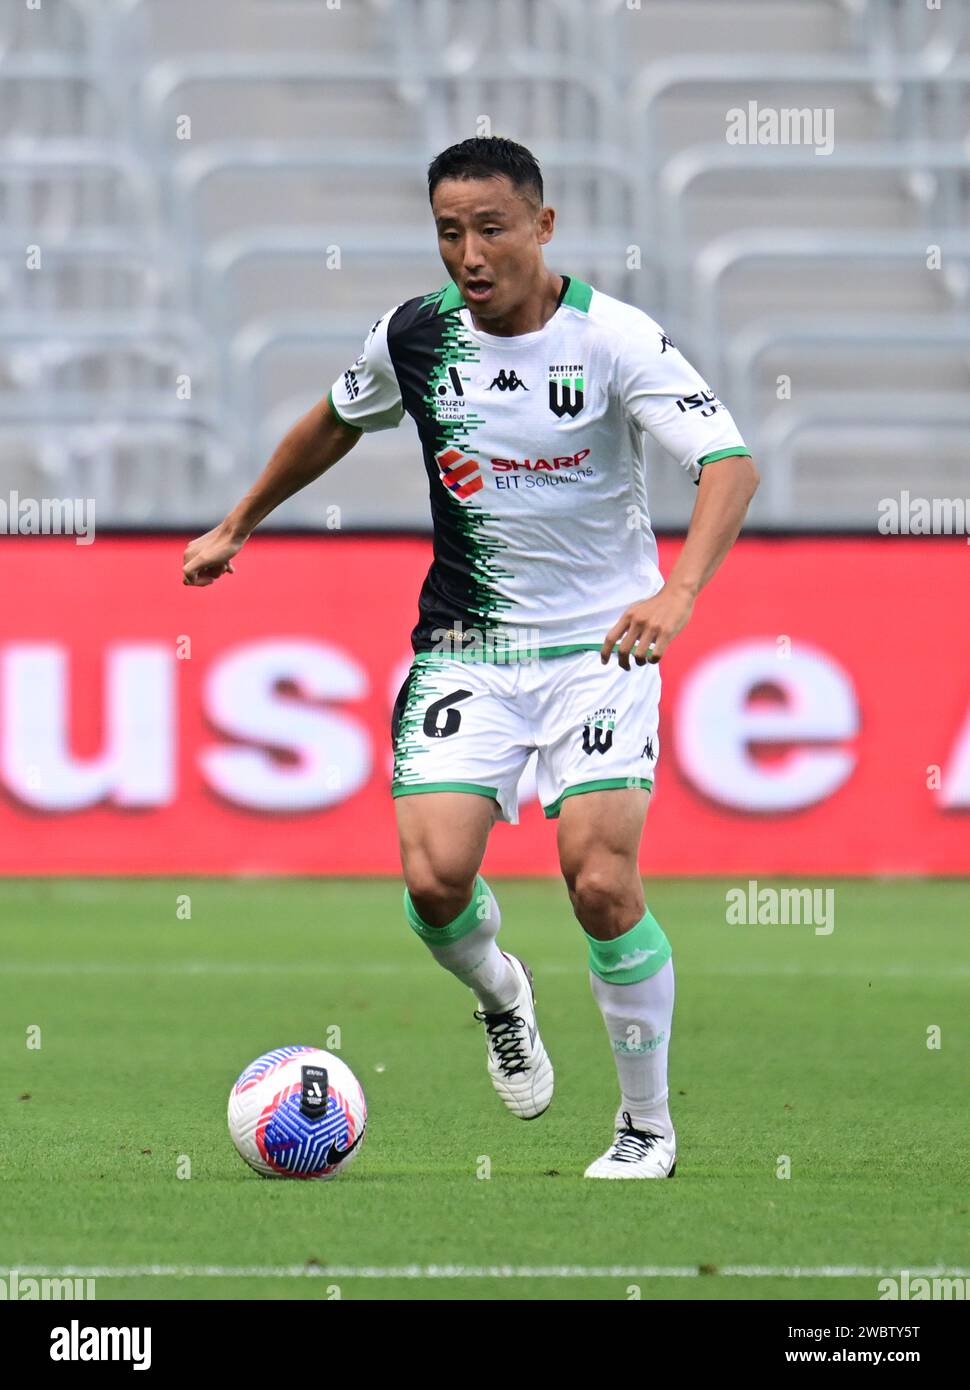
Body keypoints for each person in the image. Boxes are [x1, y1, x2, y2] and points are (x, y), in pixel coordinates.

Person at [183, 136, 759, 1178]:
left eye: (490, 229)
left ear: (541, 226)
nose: (469, 254)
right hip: (464, 645)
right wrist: (238, 525)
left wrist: (674, 593)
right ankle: (502, 993)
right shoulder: (416, 335)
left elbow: (726, 461)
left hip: (600, 649)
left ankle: (644, 1129)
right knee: (435, 878)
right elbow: (332, 421)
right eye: (450, 233)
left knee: (597, 882)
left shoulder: (614, 339)